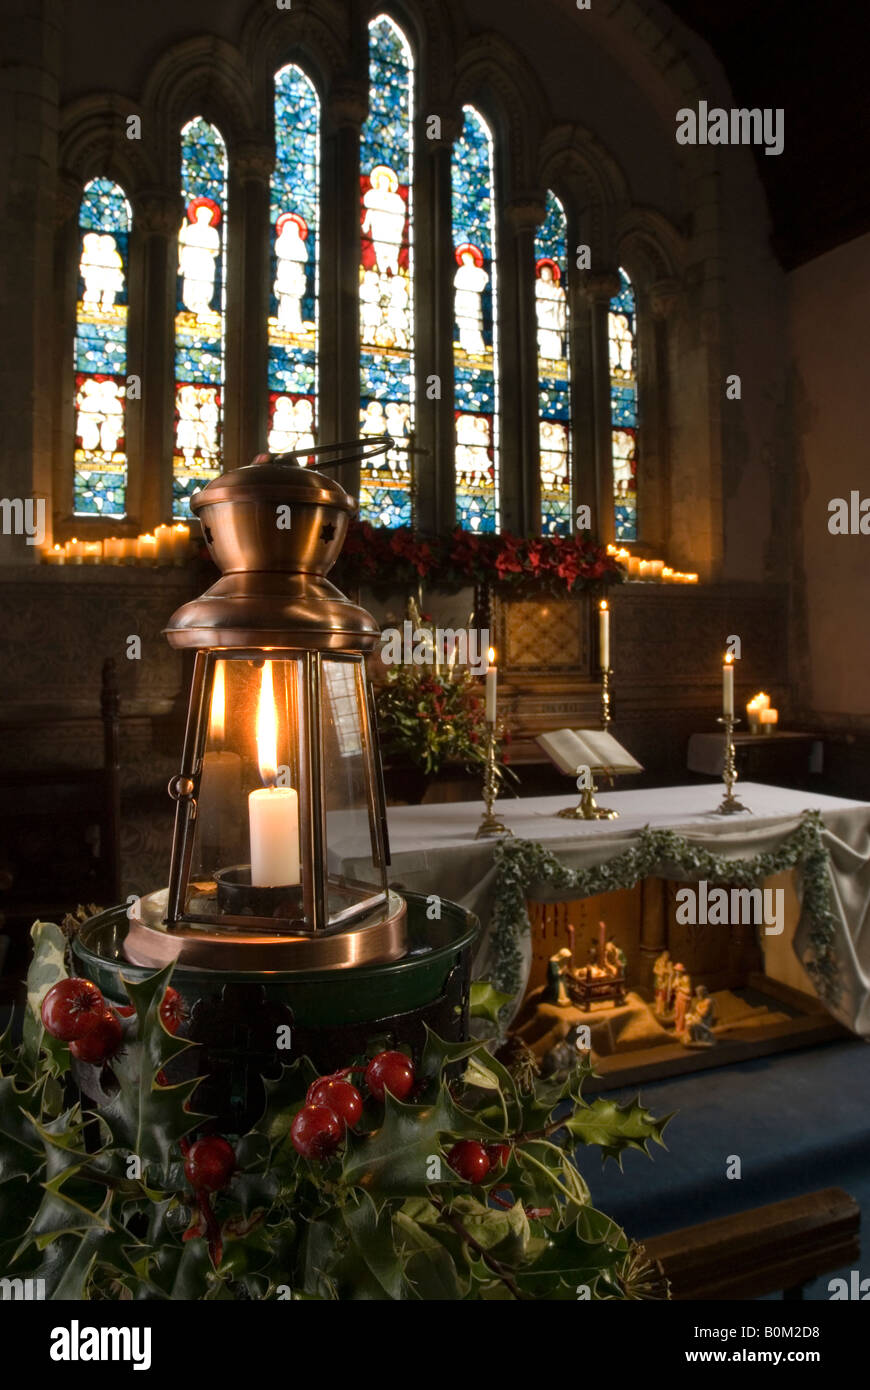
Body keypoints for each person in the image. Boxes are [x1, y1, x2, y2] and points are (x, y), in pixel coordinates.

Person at [178, 199, 220, 318]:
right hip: (193, 262)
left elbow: (216, 250)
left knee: (205, 284)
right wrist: (183, 264)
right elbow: (184, 247)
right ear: (198, 215)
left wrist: (207, 250)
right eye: (203, 215)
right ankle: (193, 306)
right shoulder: (191, 229)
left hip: (206, 262)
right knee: (193, 283)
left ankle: (202, 304)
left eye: (208, 216)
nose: (205, 218)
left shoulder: (212, 232)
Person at [361, 165, 406, 277]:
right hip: (379, 228)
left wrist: (398, 228)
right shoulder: (373, 195)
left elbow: (401, 214)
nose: (384, 183)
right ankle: (383, 275)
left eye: (386, 181)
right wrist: (366, 224)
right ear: (378, 182)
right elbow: (370, 210)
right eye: (381, 181)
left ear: (390, 183)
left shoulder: (396, 199)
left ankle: (396, 277)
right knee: (381, 254)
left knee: (393, 256)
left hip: (393, 231)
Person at [273, 212, 308, 332]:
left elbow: (304, 257)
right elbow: (280, 253)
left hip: (296, 275)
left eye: (295, 229)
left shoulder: (299, 243)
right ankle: (282, 322)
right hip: (285, 274)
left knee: (295, 301)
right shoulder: (281, 241)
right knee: (285, 300)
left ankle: (295, 324)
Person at [454, 244, 488, 355]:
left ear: (472, 258)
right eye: (463, 259)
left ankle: (477, 347)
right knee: (465, 323)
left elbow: (482, 284)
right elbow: (457, 283)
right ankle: (466, 345)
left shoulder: (479, 272)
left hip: (472, 300)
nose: (465, 260)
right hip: (463, 299)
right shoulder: (461, 271)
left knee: (473, 323)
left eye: (467, 258)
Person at [535, 258, 567, 360]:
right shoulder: (538, 286)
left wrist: (558, 296)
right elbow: (538, 303)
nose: (546, 274)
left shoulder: (557, 290)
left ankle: (555, 356)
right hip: (544, 318)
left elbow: (561, 307)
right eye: (544, 272)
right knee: (546, 336)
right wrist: (550, 302)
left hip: (554, 320)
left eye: (548, 272)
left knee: (555, 338)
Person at [672, 964, 692, 1036]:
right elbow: (673, 986)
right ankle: (678, 1028)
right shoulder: (677, 978)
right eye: (676, 971)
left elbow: (688, 990)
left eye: (678, 971)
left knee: (683, 1015)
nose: (677, 972)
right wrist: (676, 982)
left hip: (684, 999)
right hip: (678, 999)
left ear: (681, 971)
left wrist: (680, 988)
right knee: (677, 1013)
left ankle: (683, 1029)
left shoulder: (685, 978)